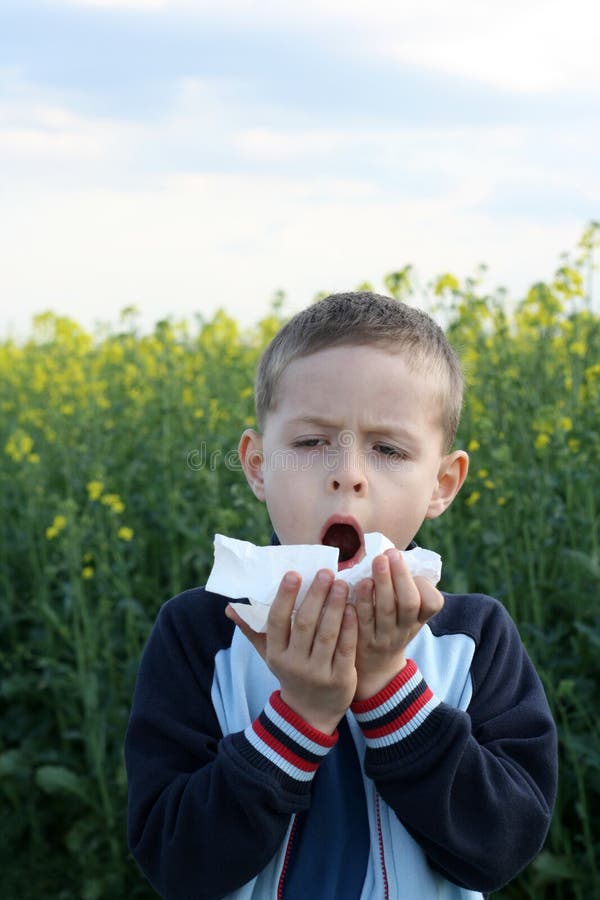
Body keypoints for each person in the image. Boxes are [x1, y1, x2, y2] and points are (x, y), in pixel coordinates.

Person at [125, 292, 557, 900]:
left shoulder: (473, 639)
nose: (348, 472)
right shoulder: (200, 630)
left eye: (388, 449)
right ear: (256, 466)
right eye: (309, 443)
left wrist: (385, 686)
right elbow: (177, 863)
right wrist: (297, 716)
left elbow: (500, 847)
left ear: (442, 484)